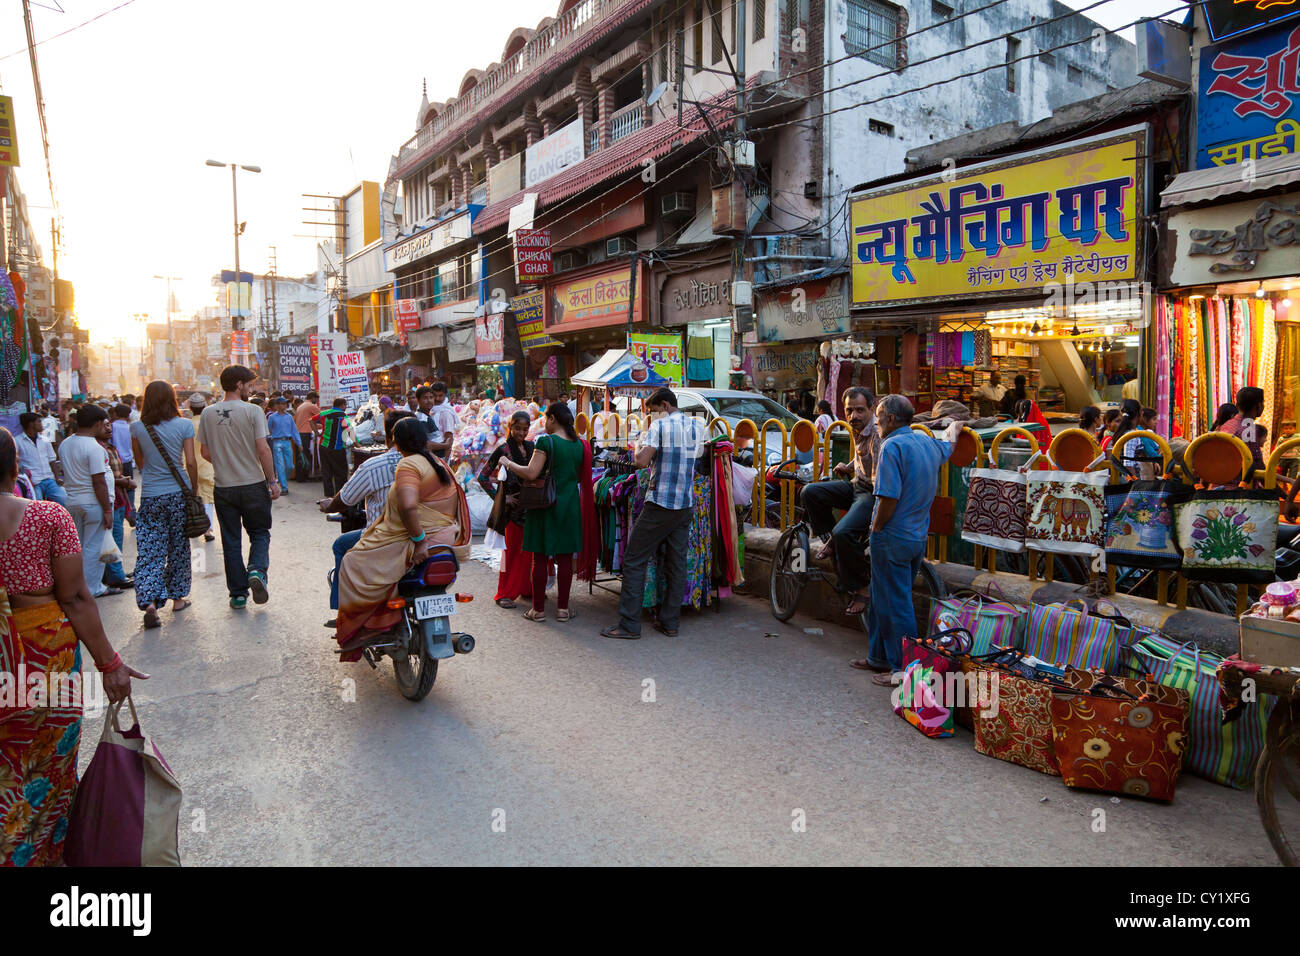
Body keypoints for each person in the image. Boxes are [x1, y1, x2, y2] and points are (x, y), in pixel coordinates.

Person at [0, 427, 147, 865]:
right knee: (48, 767)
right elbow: (77, 597)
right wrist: (111, 664)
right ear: (15, 467)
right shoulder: (48, 518)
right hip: (42, 657)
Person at [334, 418, 470, 657]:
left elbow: (407, 507)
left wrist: (419, 542)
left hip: (419, 540)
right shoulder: (438, 462)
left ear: (396, 443)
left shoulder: (408, 465)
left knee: (351, 561)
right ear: (425, 440)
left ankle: (367, 627)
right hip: (444, 538)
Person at [866, 396, 962, 685]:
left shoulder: (892, 446)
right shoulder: (927, 443)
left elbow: (888, 498)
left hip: (892, 535)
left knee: (897, 603)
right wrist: (955, 427)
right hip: (916, 536)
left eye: (880, 416)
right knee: (884, 597)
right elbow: (950, 444)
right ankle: (879, 657)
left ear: (893, 419)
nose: (877, 422)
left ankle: (905, 670)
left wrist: (875, 529)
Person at [600, 389, 708, 639]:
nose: (653, 416)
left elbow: (640, 461)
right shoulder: (695, 427)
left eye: (654, 410)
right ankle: (670, 623)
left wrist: (639, 442)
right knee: (676, 564)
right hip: (684, 504)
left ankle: (629, 625)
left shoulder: (661, 428)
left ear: (664, 405)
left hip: (661, 503)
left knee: (634, 559)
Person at [318, 410, 413, 626]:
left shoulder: (375, 466)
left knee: (341, 546)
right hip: (427, 537)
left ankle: (345, 609)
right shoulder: (434, 465)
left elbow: (346, 498)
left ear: (389, 437)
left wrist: (329, 505)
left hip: (386, 537)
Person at [197, 364, 281, 610]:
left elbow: (204, 452)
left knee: (231, 540)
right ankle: (256, 571)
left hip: (224, 487)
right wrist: (273, 481)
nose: (251, 388)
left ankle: (238, 594)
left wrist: (224, 462)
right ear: (238, 385)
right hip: (253, 485)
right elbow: (263, 449)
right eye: (249, 384)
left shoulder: (208, 413)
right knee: (260, 533)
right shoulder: (253, 411)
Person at [503, 402, 588, 624]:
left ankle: (538, 610)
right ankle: (562, 609)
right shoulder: (579, 444)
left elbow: (531, 473)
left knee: (539, 557)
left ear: (551, 419)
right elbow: (578, 477)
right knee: (565, 558)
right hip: (569, 506)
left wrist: (508, 463)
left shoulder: (546, 441)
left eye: (546, 419)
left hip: (545, 505)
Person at [799, 388, 879, 623]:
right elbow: (864, 457)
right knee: (810, 492)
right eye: (849, 410)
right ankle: (831, 541)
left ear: (872, 409)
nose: (854, 415)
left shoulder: (877, 432)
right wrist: (850, 466)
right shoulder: (857, 429)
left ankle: (862, 588)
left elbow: (880, 476)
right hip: (857, 485)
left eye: (860, 410)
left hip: (873, 492)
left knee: (844, 532)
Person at [129, 380, 199, 629]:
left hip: (151, 496)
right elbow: (190, 462)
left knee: (150, 550)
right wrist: (194, 490)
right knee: (178, 547)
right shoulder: (184, 425)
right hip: (178, 494)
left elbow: (140, 463)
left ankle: (149, 602)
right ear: (172, 398)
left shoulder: (137, 427)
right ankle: (178, 599)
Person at [58, 405, 123, 598]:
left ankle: (81, 585)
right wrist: (107, 510)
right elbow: (98, 481)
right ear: (96, 424)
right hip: (93, 503)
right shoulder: (94, 447)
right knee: (93, 549)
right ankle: (90, 588)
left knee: (80, 547)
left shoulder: (65, 444)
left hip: (73, 501)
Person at [479, 410, 536, 609]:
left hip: (530, 507)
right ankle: (504, 593)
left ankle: (527, 588)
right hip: (512, 512)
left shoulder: (532, 447)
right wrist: (501, 499)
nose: (521, 433)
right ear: (510, 427)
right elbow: (483, 477)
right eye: (517, 428)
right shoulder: (503, 449)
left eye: (525, 429)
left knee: (529, 552)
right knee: (511, 553)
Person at [98, 427, 135, 590]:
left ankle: (116, 572)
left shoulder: (110, 448)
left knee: (116, 536)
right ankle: (115, 576)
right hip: (110, 497)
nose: (108, 428)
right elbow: (102, 477)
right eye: (103, 425)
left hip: (118, 496)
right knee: (114, 536)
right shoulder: (98, 448)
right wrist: (124, 482)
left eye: (108, 425)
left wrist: (123, 481)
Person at [184, 397, 217, 542]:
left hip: (189, 464)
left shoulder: (186, 424)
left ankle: (193, 524)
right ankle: (207, 530)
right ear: (204, 406)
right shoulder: (209, 423)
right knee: (208, 498)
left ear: (190, 408)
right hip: (207, 464)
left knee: (193, 496)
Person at [17, 411, 65, 504]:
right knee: (36, 507)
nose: (41, 424)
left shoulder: (44, 440)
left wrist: (57, 478)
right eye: (39, 421)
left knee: (64, 500)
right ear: (31, 424)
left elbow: (52, 460)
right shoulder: (18, 441)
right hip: (33, 482)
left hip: (49, 480)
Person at [1218, 387, 1267, 475]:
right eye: (1263, 403)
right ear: (1258, 406)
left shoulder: (1227, 424)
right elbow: (1258, 466)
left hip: (1219, 481)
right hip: (1240, 484)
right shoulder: (1249, 429)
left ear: (1237, 406)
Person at [315, 398, 352, 498]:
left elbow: (311, 420)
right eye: (345, 405)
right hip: (338, 448)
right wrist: (357, 444)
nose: (346, 407)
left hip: (323, 446)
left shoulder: (324, 413)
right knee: (340, 473)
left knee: (327, 472)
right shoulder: (343, 416)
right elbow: (349, 430)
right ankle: (339, 495)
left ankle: (329, 495)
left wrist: (316, 433)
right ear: (342, 405)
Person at [266, 396, 301, 494]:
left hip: (287, 442)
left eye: (285, 404)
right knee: (280, 465)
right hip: (276, 442)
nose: (284, 405)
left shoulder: (289, 417)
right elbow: (267, 430)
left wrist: (299, 443)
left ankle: (282, 479)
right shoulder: (272, 417)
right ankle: (284, 487)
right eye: (282, 403)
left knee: (290, 466)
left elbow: (294, 431)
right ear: (277, 405)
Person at [414, 383, 457, 458]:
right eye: (425, 398)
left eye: (431, 397)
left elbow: (449, 438)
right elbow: (424, 444)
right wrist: (445, 445)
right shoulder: (422, 418)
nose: (430, 400)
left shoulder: (445, 412)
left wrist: (445, 464)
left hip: (439, 460)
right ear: (418, 400)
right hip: (433, 460)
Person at [110, 404, 134, 508]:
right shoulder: (130, 427)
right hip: (128, 461)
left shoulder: (112, 426)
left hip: (114, 461)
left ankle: (119, 509)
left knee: (115, 487)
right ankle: (131, 509)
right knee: (129, 486)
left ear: (115, 414)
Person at [294, 391, 320, 481]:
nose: (317, 400)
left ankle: (300, 476)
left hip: (299, 433)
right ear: (313, 398)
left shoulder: (301, 406)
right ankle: (304, 476)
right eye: (316, 398)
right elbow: (323, 416)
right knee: (305, 455)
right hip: (305, 432)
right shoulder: (311, 406)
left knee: (301, 455)